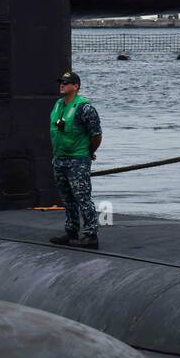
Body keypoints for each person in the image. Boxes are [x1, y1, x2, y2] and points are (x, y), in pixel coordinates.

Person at [48, 70, 102, 250]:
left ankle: (90, 235)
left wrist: (89, 152)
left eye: (65, 83)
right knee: (67, 198)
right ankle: (71, 231)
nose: (61, 85)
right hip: (60, 159)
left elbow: (96, 135)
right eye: (61, 82)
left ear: (76, 86)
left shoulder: (85, 108)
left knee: (82, 197)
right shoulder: (58, 105)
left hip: (78, 160)